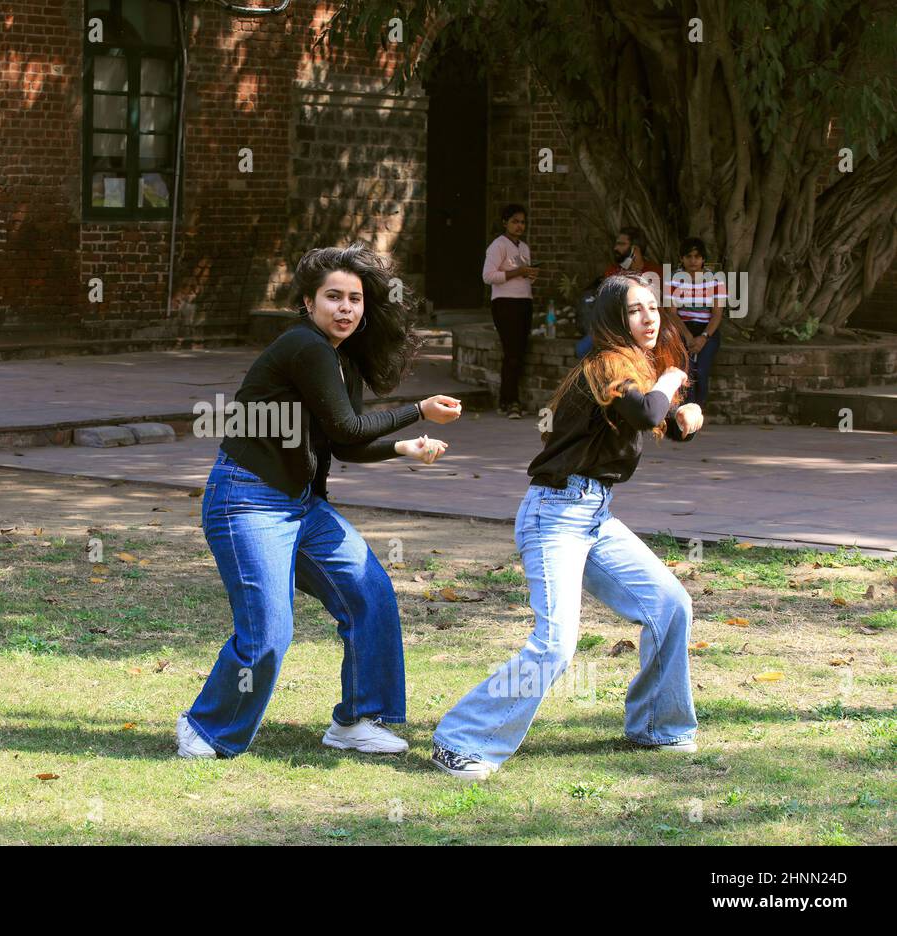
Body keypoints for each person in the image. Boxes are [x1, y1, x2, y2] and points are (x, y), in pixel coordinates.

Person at [178, 244, 462, 758]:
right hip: (247, 500)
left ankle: (357, 721)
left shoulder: (339, 359)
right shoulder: (304, 346)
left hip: (301, 506)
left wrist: (402, 447)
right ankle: (205, 728)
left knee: (369, 593)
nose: (346, 308)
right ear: (308, 302)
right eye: (334, 296)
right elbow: (347, 426)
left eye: (355, 299)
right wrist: (416, 410)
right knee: (268, 633)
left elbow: (345, 442)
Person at [432, 272, 703, 780]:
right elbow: (647, 411)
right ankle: (460, 740)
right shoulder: (607, 366)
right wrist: (669, 385)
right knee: (556, 642)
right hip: (555, 514)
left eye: (652, 308)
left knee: (670, 605)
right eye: (633, 311)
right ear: (611, 320)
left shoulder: (629, 368)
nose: (648, 318)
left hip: (595, 514)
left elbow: (654, 419)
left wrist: (684, 417)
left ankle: (657, 726)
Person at [482, 204, 538, 419]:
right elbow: (488, 276)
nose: (519, 226)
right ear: (505, 222)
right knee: (512, 353)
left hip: (524, 301)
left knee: (520, 353)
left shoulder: (524, 247)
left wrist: (530, 274)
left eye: (522, 222)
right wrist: (518, 272)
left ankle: (506, 400)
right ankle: (512, 402)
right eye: (515, 221)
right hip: (505, 303)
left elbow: (523, 274)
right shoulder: (498, 246)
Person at [667, 237, 726, 405]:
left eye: (697, 256)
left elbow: (717, 314)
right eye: (688, 256)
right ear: (681, 258)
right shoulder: (673, 279)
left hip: (707, 330)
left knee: (700, 371)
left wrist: (704, 337)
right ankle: (684, 413)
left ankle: (697, 411)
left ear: (703, 259)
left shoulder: (715, 280)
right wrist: (687, 336)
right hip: (681, 329)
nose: (693, 261)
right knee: (686, 371)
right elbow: (671, 313)